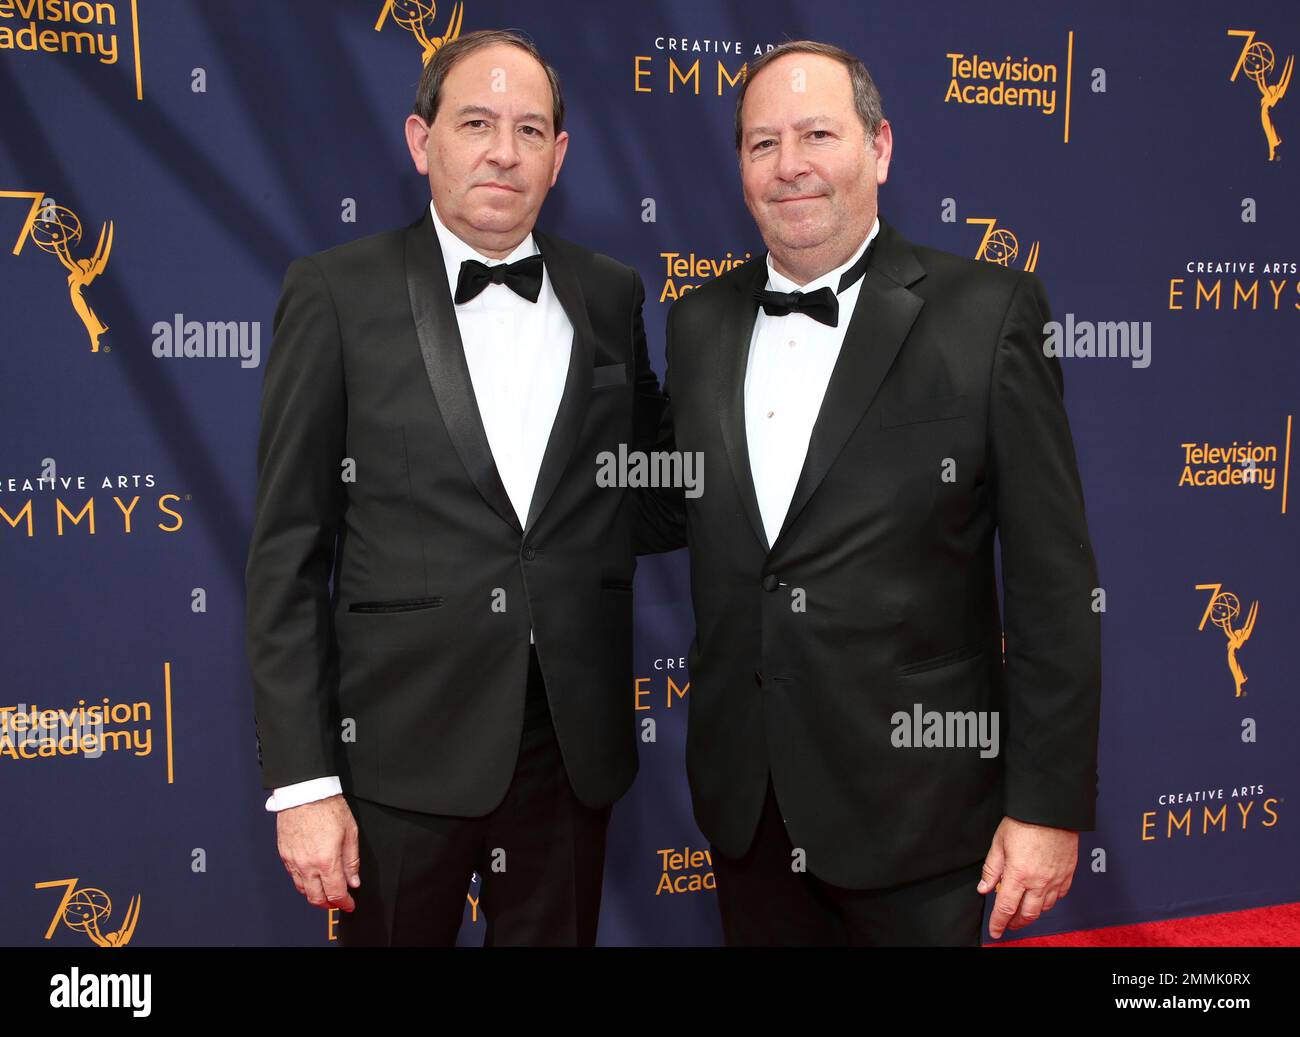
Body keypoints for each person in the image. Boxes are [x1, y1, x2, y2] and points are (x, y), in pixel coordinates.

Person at [633, 40, 1102, 946]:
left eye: (818, 133)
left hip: (923, 816)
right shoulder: (697, 321)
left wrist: (1046, 805)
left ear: (880, 148)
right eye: (763, 143)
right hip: (750, 809)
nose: (790, 164)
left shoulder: (989, 314)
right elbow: (669, 501)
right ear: (740, 168)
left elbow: (1054, 583)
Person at [245, 29, 665, 946]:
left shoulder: (612, 294)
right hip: (395, 756)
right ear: (419, 139)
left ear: (560, 156)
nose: (502, 151)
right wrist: (306, 785)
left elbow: (647, 486)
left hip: (568, 749)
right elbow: (286, 553)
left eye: (529, 128)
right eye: (476, 122)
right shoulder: (334, 294)